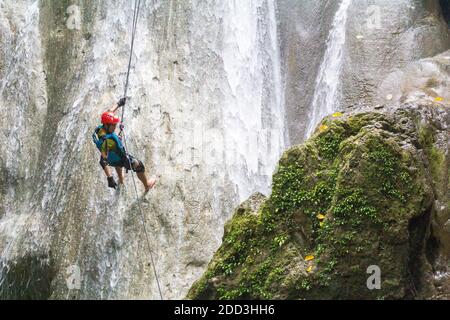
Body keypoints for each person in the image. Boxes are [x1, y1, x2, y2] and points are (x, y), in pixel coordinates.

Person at [93, 98, 156, 191]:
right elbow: (103, 161)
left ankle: (121, 180)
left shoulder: (100, 129)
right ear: (107, 125)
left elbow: (109, 112)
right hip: (119, 158)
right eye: (113, 125)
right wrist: (109, 178)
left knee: (116, 163)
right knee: (138, 165)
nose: (115, 127)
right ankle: (147, 185)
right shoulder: (107, 142)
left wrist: (118, 104)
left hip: (112, 158)